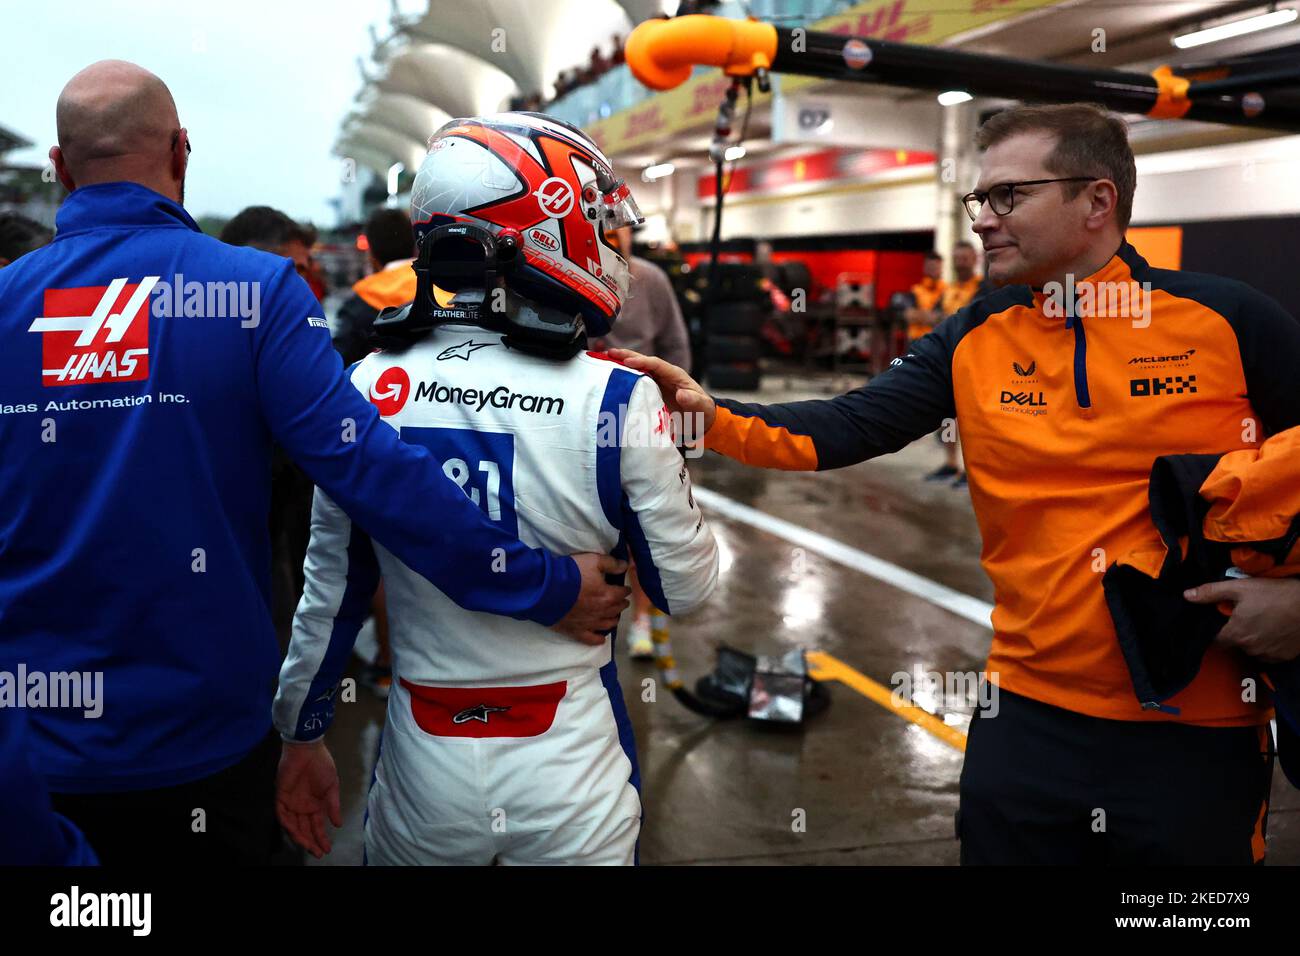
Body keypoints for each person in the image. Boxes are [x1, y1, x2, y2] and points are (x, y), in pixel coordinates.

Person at [615, 102, 1300, 865]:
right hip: (1028, 713)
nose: (982, 219)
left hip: (1199, 727)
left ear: (1097, 201)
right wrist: (706, 416)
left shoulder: (1228, 322)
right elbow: (843, 428)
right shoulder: (975, 334)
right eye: (978, 199)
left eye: (1008, 196)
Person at [0, 61, 628, 866]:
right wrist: (542, 585)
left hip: (37, 757)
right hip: (210, 747)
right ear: (182, 151)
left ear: (58, 167)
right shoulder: (253, 292)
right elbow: (375, 477)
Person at [274, 112, 719, 865]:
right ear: (544, 231)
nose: (614, 242)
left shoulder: (368, 385)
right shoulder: (618, 397)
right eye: (600, 221)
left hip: (424, 760)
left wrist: (301, 735)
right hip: (572, 765)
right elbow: (687, 588)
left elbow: (329, 597)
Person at [592, 225, 694, 659]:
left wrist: (679, 413)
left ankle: (641, 624)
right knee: (590, 526)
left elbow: (676, 343)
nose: (618, 238)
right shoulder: (574, 276)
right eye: (606, 230)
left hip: (642, 418)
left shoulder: (651, 280)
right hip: (586, 418)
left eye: (622, 231)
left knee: (644, 529)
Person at [927, 239, 984, 485]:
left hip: (978, 360)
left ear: (975, 260)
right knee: (949, 415)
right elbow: (935, 315)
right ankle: (951, 464)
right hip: (948, 361)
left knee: (973, 418)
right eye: (957, 258)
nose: (961, 263)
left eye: (965, 258)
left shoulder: (984, 287)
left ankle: (970, 470)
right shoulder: (947, 290)